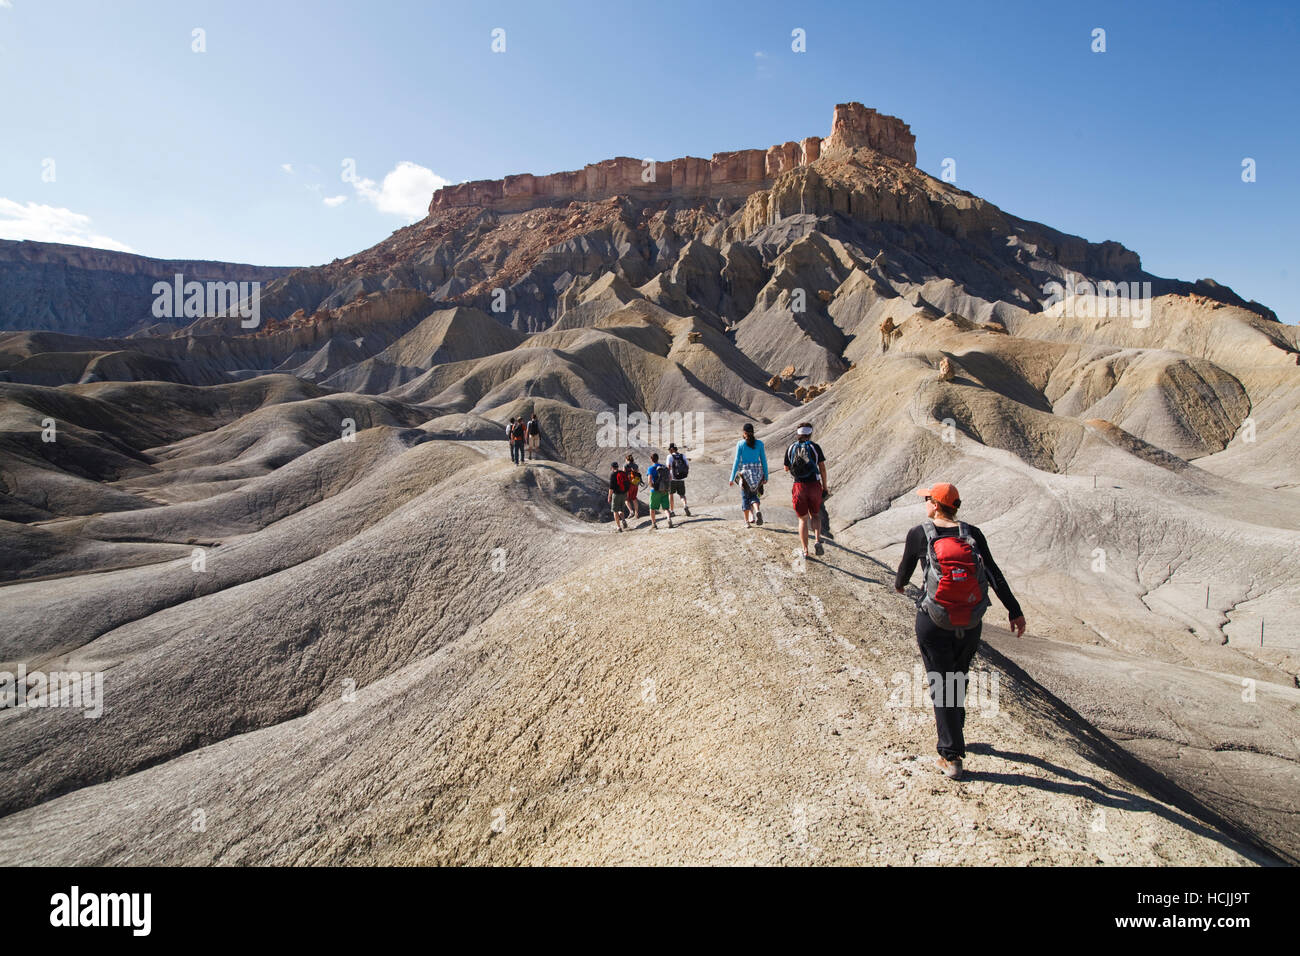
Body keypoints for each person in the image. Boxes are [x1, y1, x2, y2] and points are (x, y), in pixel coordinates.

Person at [894, 482, 1027, 781]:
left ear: (936, 505)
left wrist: (900, 585)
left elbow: (903, 572)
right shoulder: (972, 535)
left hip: (934, 620)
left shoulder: (919, 533)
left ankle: (951, 756)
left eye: (927, 499)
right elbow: (993, 573)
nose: (925, 503)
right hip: (968, 621)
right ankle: (956, 726)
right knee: (958, 675)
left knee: (941, 683)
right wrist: (1014, 610)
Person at [783, 422, 828, 558]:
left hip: (798, 486)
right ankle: (817, 540)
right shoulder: (815, 447)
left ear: (798, 434)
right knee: (815, 515)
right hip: (814, 485)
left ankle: (805, 550)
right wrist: (825, 487)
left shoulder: (791, 448)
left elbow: (786, 468)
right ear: (810, 433)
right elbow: (822, 468)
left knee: (802, 519)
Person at [728, 422, 768, 527]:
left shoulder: (740, 444)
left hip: (745, 474)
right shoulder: (760, 444)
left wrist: (732, 478)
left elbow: (736, 461)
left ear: (744, 433)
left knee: (745, 497)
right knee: (754, 496)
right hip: (757, 474)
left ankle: (746, 522)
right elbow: (763, 461)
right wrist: (766, 476)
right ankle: (757, 510)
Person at [645, 452, 673, 529]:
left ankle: (654, 524)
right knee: (666, 508)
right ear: (658, 458)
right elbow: (670, 477)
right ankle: (669, 518)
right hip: (664, 490)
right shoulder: (663, 467)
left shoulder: (651, 468)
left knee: (652, 508)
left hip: (655, 491)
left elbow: (649, 480)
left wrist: (652, 487)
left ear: (651, 459)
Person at [667, 442, 691, 518]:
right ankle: (685, 505)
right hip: (681, 479)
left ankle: (672, 511)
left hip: (672, 479)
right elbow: (687, 466)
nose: (669, 451)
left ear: (671, 449)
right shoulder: (682, 456)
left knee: (671, 494)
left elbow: (668, 467)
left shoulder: (669, 457)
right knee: (682, 495)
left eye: (669, 449)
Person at [608, 461, 629, 532]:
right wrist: (627, 493)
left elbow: (611, 488)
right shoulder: (623, 473)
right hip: (623, 494)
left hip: (616, 494)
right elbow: (627, 483)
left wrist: (609, 496)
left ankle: (619, 527)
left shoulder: (613, 475)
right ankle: (623, 520)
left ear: (612, 467)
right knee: (621, 509)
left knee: (615, 511)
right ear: (618, 466)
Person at [624, 455, 642, 521]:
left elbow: (624, 476)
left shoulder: (625, 466)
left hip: (629, 485)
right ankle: (637, 513)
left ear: (627, 459)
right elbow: (638, 473)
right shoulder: (636, 465)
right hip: (635, 484)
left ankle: (631, 511)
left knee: (626, 499)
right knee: (634, 498)